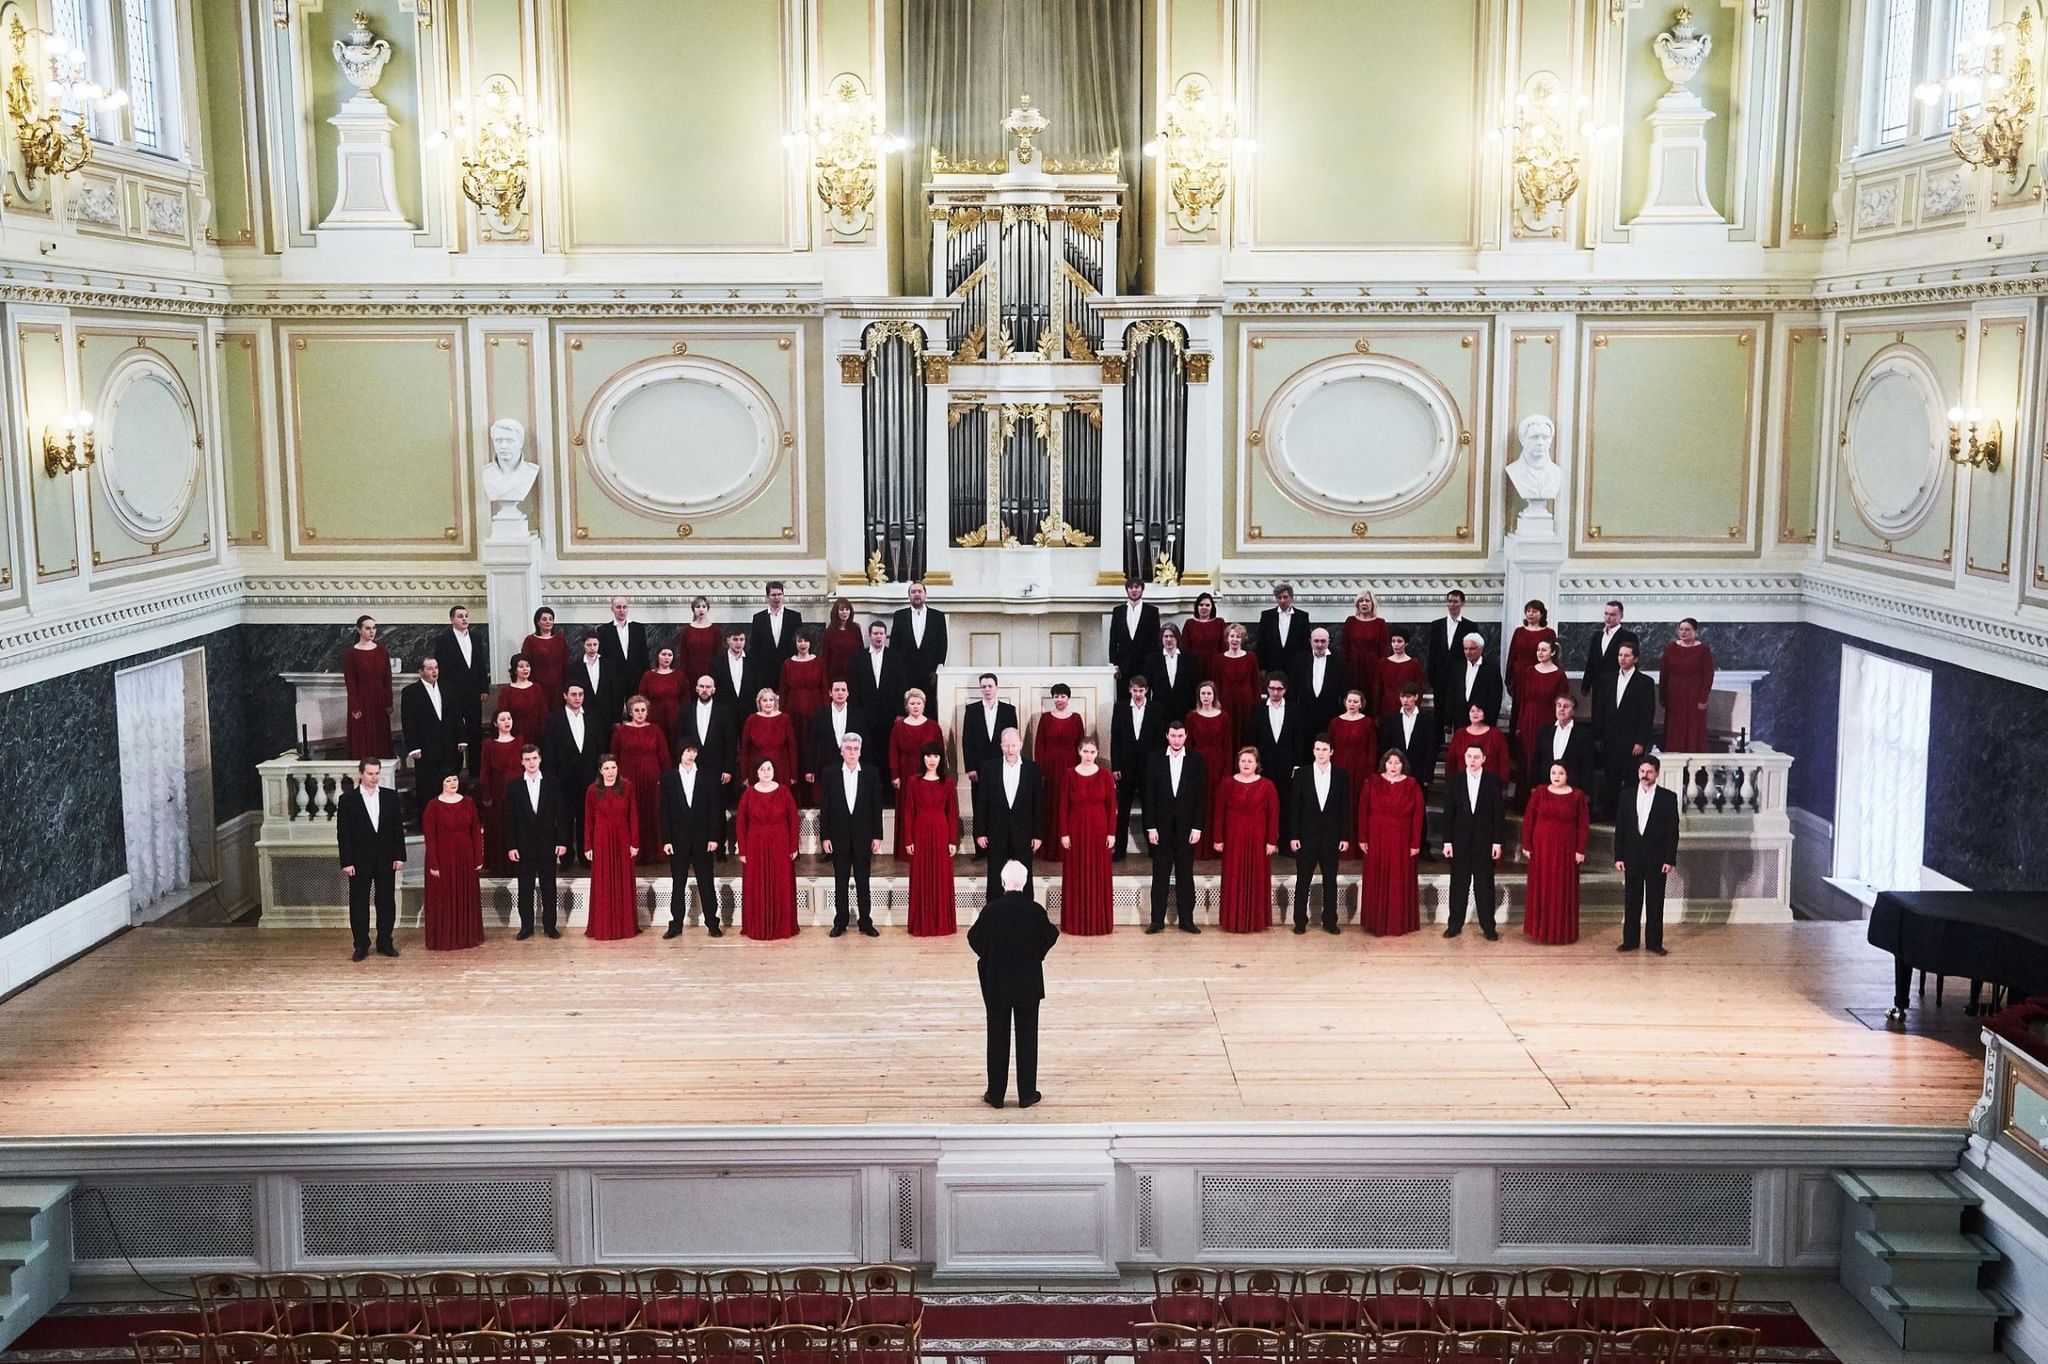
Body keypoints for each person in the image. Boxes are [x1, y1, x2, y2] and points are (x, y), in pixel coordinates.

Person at [968, 860, 1059, 1109]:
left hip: (997, 984)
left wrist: (991, 956)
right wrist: (1035, 954)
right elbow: (1051, 935)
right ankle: (1026, 1094)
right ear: (1025, 882)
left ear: (1003, 882)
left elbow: (973, 939)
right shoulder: (1035, 911)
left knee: (996, 1037)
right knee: (1028, 1039)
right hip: (1028, 983)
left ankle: (996, 1094)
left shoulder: (991, 911)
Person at [337, 758, 406, 961]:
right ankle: (361, 945)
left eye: (377, 773)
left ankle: (385, 941)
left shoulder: (390, 797)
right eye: (370, 774)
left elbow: (397, 829)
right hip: (359, 861)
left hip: (386, 858)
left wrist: (399, 855)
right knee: (359, 902)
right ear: (360, 774)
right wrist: (346, 861)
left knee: (386, 901)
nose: (374, 777)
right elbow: (344, 834)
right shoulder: (347, 800)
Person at [1613, 755, 1680, 955]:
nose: (1645, 775)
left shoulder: (1668, 798)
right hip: (1632, 856)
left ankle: (1654, 943)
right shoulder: (1626, 796)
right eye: (1642, 771)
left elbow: (1672, 831)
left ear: (1657, 773)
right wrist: (1619, 856)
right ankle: (1630, 941)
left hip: (1657, 858)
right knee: (1632, 900)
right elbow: (1621, 828)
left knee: (1655, 901)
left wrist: (1670, 858)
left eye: (1649, 772)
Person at [1145, 720, 1207, 934]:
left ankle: (1187, 921)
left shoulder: (1196, 760)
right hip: (1160, 829)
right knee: (1159, 875)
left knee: (1185, 875)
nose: (1176, 739)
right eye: (1173, 735)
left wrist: (1197, 827)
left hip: (1186, 829)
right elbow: (1149, 796)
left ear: (1186, 736)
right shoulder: (1154, 759)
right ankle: (1157, 921)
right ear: (1167, 736)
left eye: (1180, 736)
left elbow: (1200, 797)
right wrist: (1151, 827)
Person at [818, 735, 883, 937]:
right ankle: (841, 922)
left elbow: (876, 807)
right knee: (841, 881)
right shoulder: (830, 774)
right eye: (848, 748)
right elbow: (825, 807)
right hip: (839, 837)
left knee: (864, 881)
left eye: (856, 748)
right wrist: (825, 836)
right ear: (842, 751)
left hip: (864, 836)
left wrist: (877, 836)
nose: (852, 752)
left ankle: (865, 922)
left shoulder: (871, 773)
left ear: (860, 751)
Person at [660, 739, 725, 938]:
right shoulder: (669, 778)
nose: (691, 755)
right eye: (688, 751)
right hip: (678, 839)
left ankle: (712, 923)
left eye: (694, 751)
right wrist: (667, 840)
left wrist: (714, 837)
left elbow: (715, 809)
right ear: (680, 752)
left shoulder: (707, 777)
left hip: (702, 838)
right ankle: (676, 923)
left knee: (706, 880)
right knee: (677, 882)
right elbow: (664, 812)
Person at [1357, 749, 1424, 937]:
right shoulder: (1372, 782)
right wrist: (1362, 838)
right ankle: (1375, 922)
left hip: (1402, 839)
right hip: (1377, 838)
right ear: (1383, 764)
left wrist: (1415, 843)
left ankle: (1398, 923)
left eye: (1397, 762)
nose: (1393, 766)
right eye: (1389, 762)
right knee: (1377, 876)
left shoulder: (1412, 785)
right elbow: (1362, 811)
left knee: (1398, 879)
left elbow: (1418, 816)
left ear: (1403, 765)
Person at [503, 743, 567, 939]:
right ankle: (526, 927)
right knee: (525, 888)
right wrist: (512, 845)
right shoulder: (514, 786)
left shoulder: (552, 782)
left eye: (534, 758)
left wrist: (562, 841)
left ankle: (550, 926)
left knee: (549, 886)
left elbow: (561, 815)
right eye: (527, 759)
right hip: (524, 846)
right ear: (522, 762)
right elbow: (510, 818)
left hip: (548, 843)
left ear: (540, 759)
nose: (531, 762)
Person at [1441, 744, 1505, 940]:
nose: (1472, 760)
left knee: (1484, 885)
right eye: (1469, 756)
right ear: (1464, 757)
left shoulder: (1493, 781)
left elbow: (1498, 814)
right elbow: (1448, 813)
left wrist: (1497, 842)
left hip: (1485, 843)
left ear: (1484, 758)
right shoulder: (1455, 781)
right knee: (1458, 885)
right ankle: (1454, 925)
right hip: (1460, 842)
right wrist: (1447, 842)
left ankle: (1488, 927)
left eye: (1477, 757)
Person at [1524, 759, 1591, 947]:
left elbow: (1583, 825)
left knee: (1562, 889)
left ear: (1568, 774)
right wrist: (1527, 845)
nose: (1556, 776)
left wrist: (1580, 849)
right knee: (1542, 887)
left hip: (1566, 849)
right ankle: (1540, 931)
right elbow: (1529, 818)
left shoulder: (1577, 796)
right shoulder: (1539, 792)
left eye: (1560, 773)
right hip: (1542, 849)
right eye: (1553, 772)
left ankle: (1562, 932)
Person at [1213, 748, 1279, 933]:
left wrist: (1271, 840)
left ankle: (1256, 921)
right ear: (1238, 762)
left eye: (1250, 761)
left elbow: (1273, 815)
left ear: (1257, 764)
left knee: (1257, 877)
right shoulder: (1227, 784)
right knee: (1234, 877)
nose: (1246, 764)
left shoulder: (1267, 786)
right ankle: (1233, 920)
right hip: (1234, 839)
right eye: (1243, 761)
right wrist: (1218, 837)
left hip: (1258, 840)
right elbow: (1219, 813)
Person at [1290, 735, 1350, 935]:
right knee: (1303, 879)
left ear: (1331, 752)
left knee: (1330, 880)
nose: (1321, 753)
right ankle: (1300, 921)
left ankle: (1330, 921)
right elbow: (1295, 808)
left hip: (1331, 837)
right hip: (1306, 837)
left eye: (1325, 749)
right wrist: (1293, 835)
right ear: (1313, 751)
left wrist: (1344, 836)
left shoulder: (1341, 775)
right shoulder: (1302, 774)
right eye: (1317, 749)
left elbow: (1345, 808)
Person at [735, 758, 800, 940]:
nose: (766, 772)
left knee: (781, 883)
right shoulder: (748, 794)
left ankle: (781, 926)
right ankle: (758, 926)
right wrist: (743, 850)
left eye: (769, 768)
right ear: (756, 772)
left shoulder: (784, 792)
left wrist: (793, 845)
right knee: (756, 883)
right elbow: (740, 824)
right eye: (762, 769)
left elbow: (794, 820)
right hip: (755, 844)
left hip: (780, 843)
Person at [1059, 734, 1117, 934]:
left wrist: (1112, 833)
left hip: (1099, 830)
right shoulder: (1069, 775)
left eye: (1092, 752)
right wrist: (1064, 833)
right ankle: (1075, 923)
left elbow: (1112, 807)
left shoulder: (1105, 775)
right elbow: (1063, 806)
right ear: (1079, 751)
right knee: (1076, 874)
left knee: (1098, 875)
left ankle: (1098, 922)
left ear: (1097, 753)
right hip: (1075, 829)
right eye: (1085, 751)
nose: (1089, 755)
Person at [421, 771, 484, 951]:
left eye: (455, 779)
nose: (452, 783)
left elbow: (475, 832)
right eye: (448, 780)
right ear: (441, 783)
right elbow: (430, 837)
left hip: (465, 856)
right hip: (443, 857)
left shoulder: (469, 803)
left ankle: (466, 937)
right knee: (444, 897)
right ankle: (445, 938)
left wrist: (478, 857)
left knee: (465, 895)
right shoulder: (433, 806)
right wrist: (433, 863)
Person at [974, 728, 1042, 894]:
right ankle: (994, 914)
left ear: (1020, 745)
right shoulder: (989, 768)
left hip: (1023, 833)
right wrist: (980, 832)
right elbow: (981, 803)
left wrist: (1037, 835)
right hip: (997, 832)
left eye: (1013, 745)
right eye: (1006, 745)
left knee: (1025, 874)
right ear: (1001, 746)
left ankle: (1025, 913)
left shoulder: (1032, 770)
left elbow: (1038, 805)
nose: (1010, 749)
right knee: (995, 875)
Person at [903, 742, 960, 937]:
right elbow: (908, 811)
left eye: (935, 756)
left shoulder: (948, 783)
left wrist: (953, 840)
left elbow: (952, 812)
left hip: (941, 832)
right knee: (921, 876)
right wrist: (908, 839)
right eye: (928, 756)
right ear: (923, 758)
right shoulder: (913, 782)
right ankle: (922, 923)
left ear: (940, 759)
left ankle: (942, 923)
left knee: (941, 876)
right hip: (920, 832)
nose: (932, 759)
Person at [583, 756, 640, 941]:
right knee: (603, 882)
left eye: (613, 767)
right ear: (600, 770)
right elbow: (588, 819)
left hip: (622, 838)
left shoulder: (627, 787)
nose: (610, 771)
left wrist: (635, 842)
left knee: (623, 879)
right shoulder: (592, 791)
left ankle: (625, 927)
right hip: (601, 839)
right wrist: (587, 845)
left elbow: (633, 815)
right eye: (606, 768)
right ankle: (603, 927)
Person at [1599, 642, 1658, 821]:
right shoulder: (1607, 679)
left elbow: (1647, 714)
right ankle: (1610, 815)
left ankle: (1630, 817)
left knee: (1632, 780)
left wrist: (1640, 741)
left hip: (1632, 741)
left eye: (1627, 655)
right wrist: (1600, 736)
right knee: (1611, 779)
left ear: (1635, 658)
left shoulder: (1645, 682)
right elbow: (1600, 709)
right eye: (1620, 655)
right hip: (1610, 739)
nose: (1622, 659)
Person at [544, 684, 602, 865]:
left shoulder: (593, 717)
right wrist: (552, 779)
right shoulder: (554, 720)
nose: (577, 698)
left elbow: (600, 748)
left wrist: (599, 776)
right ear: (564, 695)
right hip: (563, 779)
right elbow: (549, 751)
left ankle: (587, 857)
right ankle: (567, 857)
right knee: (565, 818)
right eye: (573, 694)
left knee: (587, 817)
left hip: (589, 778)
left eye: (581, 694)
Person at [611, 695, 672, 866]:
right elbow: (613, 757)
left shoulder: (656, 730)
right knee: (630, 814)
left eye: (643, 710)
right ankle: (631, 851)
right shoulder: (620, 731)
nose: (640, 714)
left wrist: (665, 780)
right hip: (628, 779)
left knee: (652, 812)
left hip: (653, 780)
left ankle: (653, 853)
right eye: (636, 710)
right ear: (630, 712)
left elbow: (664, 757)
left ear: (647, 712)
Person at [676, 674, 737, 840]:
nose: (704, 690)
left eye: (708, 687)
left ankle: (719, 847)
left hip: (717, 767)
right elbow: (681, 739)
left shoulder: (724, 710)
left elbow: (730, 742)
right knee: (693, 804)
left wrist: (728, 769)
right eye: (701, 686)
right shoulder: (686, 710)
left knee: (717, 806)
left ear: (714, 689)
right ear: (696, 688)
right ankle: (695, 843)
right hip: (692, 766)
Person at [402, 656, 464, 813]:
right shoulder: (411, 692)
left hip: (449, 746)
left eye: (436, 667)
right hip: (425, 748)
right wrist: (413, 747)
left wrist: (462, 738)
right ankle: (428, 820)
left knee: (448, 782)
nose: (434, 671)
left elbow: (457, 715)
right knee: (427, 786)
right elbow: (409, 722)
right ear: (420, 672)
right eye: (430, 668)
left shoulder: (448, 687)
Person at [1111, 676, 1163, 858]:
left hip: (1149, 767)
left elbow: (1159, 741)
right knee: (1123, 809)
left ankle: (1153, 848)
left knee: (1150, 807)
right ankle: (1119, 850)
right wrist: (1115, 766)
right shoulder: (1120, 708)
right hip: (1125, 767)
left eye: (1141, 691)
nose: (1138, 694)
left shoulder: (1156, 709)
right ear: (1129, 690)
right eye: (1135, 690)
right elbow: (1115, 739)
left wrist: (1158, 767)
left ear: (1146, 690)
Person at [432, 605, 490, 769]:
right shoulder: (443, 639)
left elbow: (480, 664)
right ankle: (454, 768)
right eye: (460, 616)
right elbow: (440, 667)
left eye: (466, 616)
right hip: (453, 693)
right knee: (454, 729)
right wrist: (444, 691)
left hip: (473, 692)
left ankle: (475, 768)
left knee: (475, 729)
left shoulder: (476, 637)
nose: (464, 619)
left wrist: (484, 688)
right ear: (452, 619)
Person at [740, 689, 802, 839]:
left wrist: (793, 773)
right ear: (759, 703)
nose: (768, 703)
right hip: (757, 771)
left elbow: (792, 747)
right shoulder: (751, 720)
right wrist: (744, 775)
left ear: (776, 702)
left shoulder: (785, 719)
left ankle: (788, 846)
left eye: (771, 700)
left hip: (781, 770)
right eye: (764, 700)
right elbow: (745, 749)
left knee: (782, 809)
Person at [887, 689, 942, 857]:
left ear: (924, 705)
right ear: (907, 706)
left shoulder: (933, 726)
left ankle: (927, 848)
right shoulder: (899, 727)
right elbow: (893, 751)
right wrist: (895, 775)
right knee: (908, 810)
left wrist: (939, 773)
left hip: (928, 773)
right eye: (912, 703)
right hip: (905, 773)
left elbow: (940, 751)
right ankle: (907, 850)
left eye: (918, 703)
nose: (915, 706)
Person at [1250, 674, 1303, 844]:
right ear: (1267, 688)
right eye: (1272, 688)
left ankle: (1286, 843)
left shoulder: (1295, 710)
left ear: (1285, 689)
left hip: (1287, 768)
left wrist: (1296, 766)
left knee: (1286, 805)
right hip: (1263, 766)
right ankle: (1262, 841)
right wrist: (1254, 766)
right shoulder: (1257, 710)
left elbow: (1299, 739)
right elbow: (1252, 739)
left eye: (1279, 689)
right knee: (1261, 805)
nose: (1275, 692)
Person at [1182, 682, 1234, 846]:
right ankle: (1198, 845)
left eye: (1208, 693)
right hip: (1197, 763)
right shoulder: (1191, 717)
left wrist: (1227, 772)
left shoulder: (1224, 716)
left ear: (1214, 696)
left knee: (1216, 803)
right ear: (1199, 696)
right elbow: (1188, 745)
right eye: (1203, 693)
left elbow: (1227, 745)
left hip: (1218, 764)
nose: (1206, 696)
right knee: (1199, 802)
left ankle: (1216, 843)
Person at [778, 634, 827, 804]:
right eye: (799, 640)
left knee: (814, 750)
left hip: (815, 712)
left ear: (811, 643)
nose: (803, 644)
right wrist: (781, 716)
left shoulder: (819, 663)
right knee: (794, 750)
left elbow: (824, 688)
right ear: (795, 643)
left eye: (806, 640)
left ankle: (814, 796)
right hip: (793, 714)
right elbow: (783, 691)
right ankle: (796, 796)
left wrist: (825, 713)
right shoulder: (787, 664)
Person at [1513, 640, 1570, 787]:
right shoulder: (1529, 671)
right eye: (1538, 649)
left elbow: (1562, 702)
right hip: (1529, 718)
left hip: (1547, 718)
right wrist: (1520, 723)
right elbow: (1523, 699)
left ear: (1552, 652)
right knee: (1527, 756)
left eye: (1544, 650)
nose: (1540, 653)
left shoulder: (1559, 675)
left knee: (1544, 755)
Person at [1034, 684, 1085, 843]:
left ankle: (1069, 843)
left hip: (1071, 765)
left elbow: (1081, 745)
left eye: (1063, 696)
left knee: (1070, 803)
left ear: (1068, 698)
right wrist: (1040, 771)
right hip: (1049, 768)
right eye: (1056, 696)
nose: (1059, 699)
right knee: (1051, 804)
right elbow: (1039, 745)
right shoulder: (1045, 718)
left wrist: (1081, 769)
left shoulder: (1076, 718)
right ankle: (1050, 845)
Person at [476, 709, 524, 873]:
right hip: (497, 793)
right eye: (502, 719)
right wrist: (487, 795)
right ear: (496, 723)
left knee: (517, 828)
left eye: (509, 718)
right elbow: (485, 772)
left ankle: (518, 863)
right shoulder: (489, 744)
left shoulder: (519, 741)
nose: (507, 722)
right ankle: (498, 865)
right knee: (499, 829)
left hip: (518, 794)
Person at [1659, 618, 1717, 752]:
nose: (1683, 632)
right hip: (1674, 697)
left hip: (1694, 698)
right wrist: (1663, 697)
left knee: (1693, 730)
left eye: (1687, 629)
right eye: (1681, 629)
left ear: (1695, 632)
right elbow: (1664, 674)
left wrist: (1703, 699)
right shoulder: (1670, 648)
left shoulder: (1703, 650)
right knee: (1674, 730)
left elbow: (1708, 676)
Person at [1529, 692, 1597, 804]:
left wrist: (1585, 792)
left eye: (1566, 706)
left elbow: (1587, 765)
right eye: (1559, 705)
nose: (1561, 709)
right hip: (1546, 786)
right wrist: (1534, 785)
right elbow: (1537, 760)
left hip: (1572, 789)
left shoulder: (1583, 734)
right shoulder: (1545, 731)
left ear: (1573, 711)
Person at [343, 615, 393, 760]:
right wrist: (354, 706)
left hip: (380, 699)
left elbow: (387, 678)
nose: (372, 631)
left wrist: (389, 701)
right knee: (363, 736)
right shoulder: (351, 653)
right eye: (368, 628)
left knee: (380, 734)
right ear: (359, 630)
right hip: (361, 700)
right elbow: (350, 682)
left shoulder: (382, 651)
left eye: (374, 628)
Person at [806, 679, 861, 809]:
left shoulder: (857, 714)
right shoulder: (820, 714)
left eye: (843, 690)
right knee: (828, 803)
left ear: (848, 693)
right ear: (830, 693)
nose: (840, 693)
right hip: (826, 766)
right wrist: (810, 769)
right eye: (836, 690)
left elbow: (865, 743)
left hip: (851, 766)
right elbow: (812, 743)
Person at [892, 580, 949, 701]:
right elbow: (894, 645)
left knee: (929, 707)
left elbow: (943, 644)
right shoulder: (899, 616)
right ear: (909, 596)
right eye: (913, 592)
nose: (916, 594)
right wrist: (897, 670)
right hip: (906, 673)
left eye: (919, 591)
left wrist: (937, 670)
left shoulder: (938, 617)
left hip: (929, 674)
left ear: (925, 595)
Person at [848, 620, 905, 740]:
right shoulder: (858, 657)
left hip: (890, 714)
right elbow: (854, 686)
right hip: (865, 713)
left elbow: (901, 686)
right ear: (870, 635)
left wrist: (900, 712)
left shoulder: (895, 657)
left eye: (881, 633)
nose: (878, 636)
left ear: (885, 635)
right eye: (875, 633)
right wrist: (855, 713)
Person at [1379, 682, 1438, 796]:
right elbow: (1385, 747)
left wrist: (1427, 776)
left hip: (1419, 772)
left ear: (1416, 697)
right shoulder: (1391, 719)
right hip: (1395, 771)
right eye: (1402, 696)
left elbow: (1431, 748)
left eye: (1408, 696)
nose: (1405, 700)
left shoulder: (1427, 720)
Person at [961, 672, 1020, 785]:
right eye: (984, 687)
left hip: (1003, 763)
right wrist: (970, 767)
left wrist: (1012, 763)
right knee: (979, 800)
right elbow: (967, 741)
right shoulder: (971, 710)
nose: (987, 689)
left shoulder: (1008, 710)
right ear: (980, 689)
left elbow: (1013, 740)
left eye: (990, 686)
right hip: (978, 766)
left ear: (996, 687)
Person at [1326, 690, 1378, 818]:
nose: (1352, 704)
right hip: (1339, 765)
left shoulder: (1367, 723)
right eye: (1349, 701)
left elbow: (1372, 749)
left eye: (1356, 702)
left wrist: (1369, 772)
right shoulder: (1335, 723)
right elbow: (1329, 747)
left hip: (1360, 767)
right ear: (1345, 702)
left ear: (1361, 704)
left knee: (1358, 801)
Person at [1424, 589, 1472, 723]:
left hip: (1460, 677)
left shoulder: (1470, 626)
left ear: (1462, 603)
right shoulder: (1436, 625)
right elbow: (1431, 653)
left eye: (1455, 601)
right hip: (1440, 677)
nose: (1452, 604)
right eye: (1449, 601)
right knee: (1439, 712)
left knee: (1459, 712)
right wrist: (1431, 677)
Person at [1580, 599, 1639, 703]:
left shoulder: (1628, 636)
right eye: (1606, 613)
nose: (1608, 617)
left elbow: (1634, 662)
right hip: (1598, 685)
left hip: (1617, 685)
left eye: (1612, 614)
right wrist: (1586, 685)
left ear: (1621, 616)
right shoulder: (1597, 636)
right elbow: (1591, 661)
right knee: (1597, 716)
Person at [1339, 590, 1389, 713]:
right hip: (1353, 666)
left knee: (1373, 697)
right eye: (1361, 601)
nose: (1364, 603)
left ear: (1373, 603)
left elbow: (1384, 648)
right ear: (1357, 604)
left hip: (1373, 667)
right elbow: (1344, 646)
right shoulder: (1350, 621)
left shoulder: (1380, 623)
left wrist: (1381, 669)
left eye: (1367, 600)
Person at [1290, 627, 1348, 732]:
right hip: (1305, 715)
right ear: (1310, 641)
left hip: (1330, 714)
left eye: (1323, 641)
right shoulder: (1300, 660)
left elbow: (1344, 688)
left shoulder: (1339, 659)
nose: (1319, 645)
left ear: (1329, 641)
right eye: (1316, 641)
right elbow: (1293, 688)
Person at [567, 633, 618, 748]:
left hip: (606, 713)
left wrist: (616, 716)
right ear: (583, 645)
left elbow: (615, 691)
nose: (592, 648)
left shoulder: (608, 665)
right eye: (589, 644)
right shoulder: (575, 667)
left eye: (595, 644)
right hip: (585, 712)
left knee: (606, 744)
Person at [1108, 579, 1161, 687]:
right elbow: (1113, 640)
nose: (1134, 590)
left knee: (1143, 695)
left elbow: (1155, 640)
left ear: (1142, 589)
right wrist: (1114, 664)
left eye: (1137, 587)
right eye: (1131, 587)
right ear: (1127, 590)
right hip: (1123, 665)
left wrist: (1154, 664)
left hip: (1145, 664)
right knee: (1123, 697)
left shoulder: (1152, 611)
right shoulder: (1118, 611)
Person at [1447, 633, 1504, 734]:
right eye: (1466, 649)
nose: (1468, 652)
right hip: (1460, 721)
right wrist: (1448, 721)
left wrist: (1490, 721)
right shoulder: (1457, 667)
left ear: (1481, 649)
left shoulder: (1491, 669)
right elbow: (1451, 694)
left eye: (1472, 649)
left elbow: (1495, 697)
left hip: (1482, 723)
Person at [1446, 702, 1513, 782]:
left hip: (1489, 785)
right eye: (1472, 711)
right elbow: (1451, 762)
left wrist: (1503, 784)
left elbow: (1503, 762)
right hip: (1462, 784)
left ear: (1485, 713)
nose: (1475, 713)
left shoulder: (1496, 735)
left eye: (1479, 711)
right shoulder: (1460, 734)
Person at [520, 607, 569, 715]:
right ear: (538, 622)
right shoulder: (530, 641)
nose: (548, 622)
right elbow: (525, 663)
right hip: (538, 686)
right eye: (544, 619)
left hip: (558, 687)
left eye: (550, 619)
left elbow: (566, 662)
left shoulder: (560, 640)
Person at [1504, 600, 1557, 699]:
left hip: (1539, 674)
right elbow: (1512, 655)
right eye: (1528, 611)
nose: (1531, 614)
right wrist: (1508, 678)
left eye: (1534, 611)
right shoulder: (1519, 632)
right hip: (1519, 675)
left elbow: (1553, 656)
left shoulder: (1549, 633)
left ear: (1541, 614)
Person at [1254, 582, 1311, 673]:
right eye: (1279, 598)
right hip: (1272, 666)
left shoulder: (1302, 616)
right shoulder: (1267, 616)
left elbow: (1305, 644)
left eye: (1285, 597)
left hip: (1295, 666)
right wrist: (1262, 668)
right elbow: (1261, 643)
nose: (1282, 600)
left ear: (1291, 598)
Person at [1212, 623, 1261, 730]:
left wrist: (1257, 704)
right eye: (1232, 636)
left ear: (1242, 639)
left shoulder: (1250, 657)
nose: (1235, 639)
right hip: (1226, 702)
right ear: (1227, 638)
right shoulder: (1219, 659)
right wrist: (1216, 702)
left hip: (1247, 702)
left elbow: (1255, 682)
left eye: (1238, 637)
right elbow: (1216, 683)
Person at [1146, 623, 1197, 720]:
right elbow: (1147, 686)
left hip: (1184, 709)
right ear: (1161, 638)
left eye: (1172, 636)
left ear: (1177, 638)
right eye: (1165, 636)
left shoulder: (1189, 659)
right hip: (1160, 710)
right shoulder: (1152, 659)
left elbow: (1194, 684)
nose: (1168, 639)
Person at [496, 654, 549, 744]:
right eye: (521, 666)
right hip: (515, 735)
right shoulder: (507, 691)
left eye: (527, 666)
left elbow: (543, 713)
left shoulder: (537, 688)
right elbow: (502, 715)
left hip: (536, 735)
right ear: (515, 670)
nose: (525, 669)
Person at [747, 580, 803, 666]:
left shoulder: (794, 617)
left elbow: (799, 643)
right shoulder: (758, 618)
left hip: (789, 666)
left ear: (783, 595)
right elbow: (754, 646)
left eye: (779, 594)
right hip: (765, 669)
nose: (777, 597)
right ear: (767, 597)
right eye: (773, 595)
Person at [637, 646, 687, 739]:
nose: (666, 657)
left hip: (674, 719)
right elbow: (642, 699)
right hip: (654, 717)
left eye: (670, 655)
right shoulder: (648, 675)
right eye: (663, 654)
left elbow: (685, 699)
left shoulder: (679, 676)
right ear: (657, 656)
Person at [1375, 630, 1427, 719]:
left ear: (1406, 643)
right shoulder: (1383, 663)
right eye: (1393, 641)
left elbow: (1419, 688)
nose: (1396, 644)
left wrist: (1415, 709)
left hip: (1407, 706)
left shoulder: (1414, 664)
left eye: (1399, 641)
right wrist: (1377, 713)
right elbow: (1378, 689)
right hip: (1387, 707)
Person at [599, 596, 651, 682]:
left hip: (636, 678)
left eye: (624, 607)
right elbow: (603, 658)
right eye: (618, 607)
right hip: (614, 678)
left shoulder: (638, 628)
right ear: (612, 609)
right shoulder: (603, 630)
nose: (622, 610)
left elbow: (644, 655)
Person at [712, 628, 764, 712]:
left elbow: (758, 685)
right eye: (735, 639)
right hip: (725, 711)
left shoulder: (753, 661)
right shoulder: (717, 661)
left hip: (748, 710)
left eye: (741, 639)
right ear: (728, 640)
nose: (739, 643)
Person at [1181, 592, 1227, 684]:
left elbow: (1224, 646)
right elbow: (1184, 647)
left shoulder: (1220, 623)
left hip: (1214, 665)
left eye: (1207, 605)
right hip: (1194, 665)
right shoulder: (1189, 623)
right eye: (1201, 605)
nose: (1204, 607)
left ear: (1212, 607)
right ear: (1197, 607)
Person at [677, 595, 722, 684]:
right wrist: (683, 676)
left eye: (703, 606)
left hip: (711, 671)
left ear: (707, 609)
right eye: (698, 607)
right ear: (693, 609)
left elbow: (719, 654)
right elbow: (683, 655)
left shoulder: (715, 630)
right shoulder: (686, 630)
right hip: (691, 672)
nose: (701, 609)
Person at [821, 596, 863, 684]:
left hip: (854, 673)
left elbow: (861, 652)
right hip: (835, 675)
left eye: (847, 609)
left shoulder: (856, 629)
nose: (845, 612)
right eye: (841, 609)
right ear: (836, 612)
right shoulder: (829, 632)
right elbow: (825, 658)